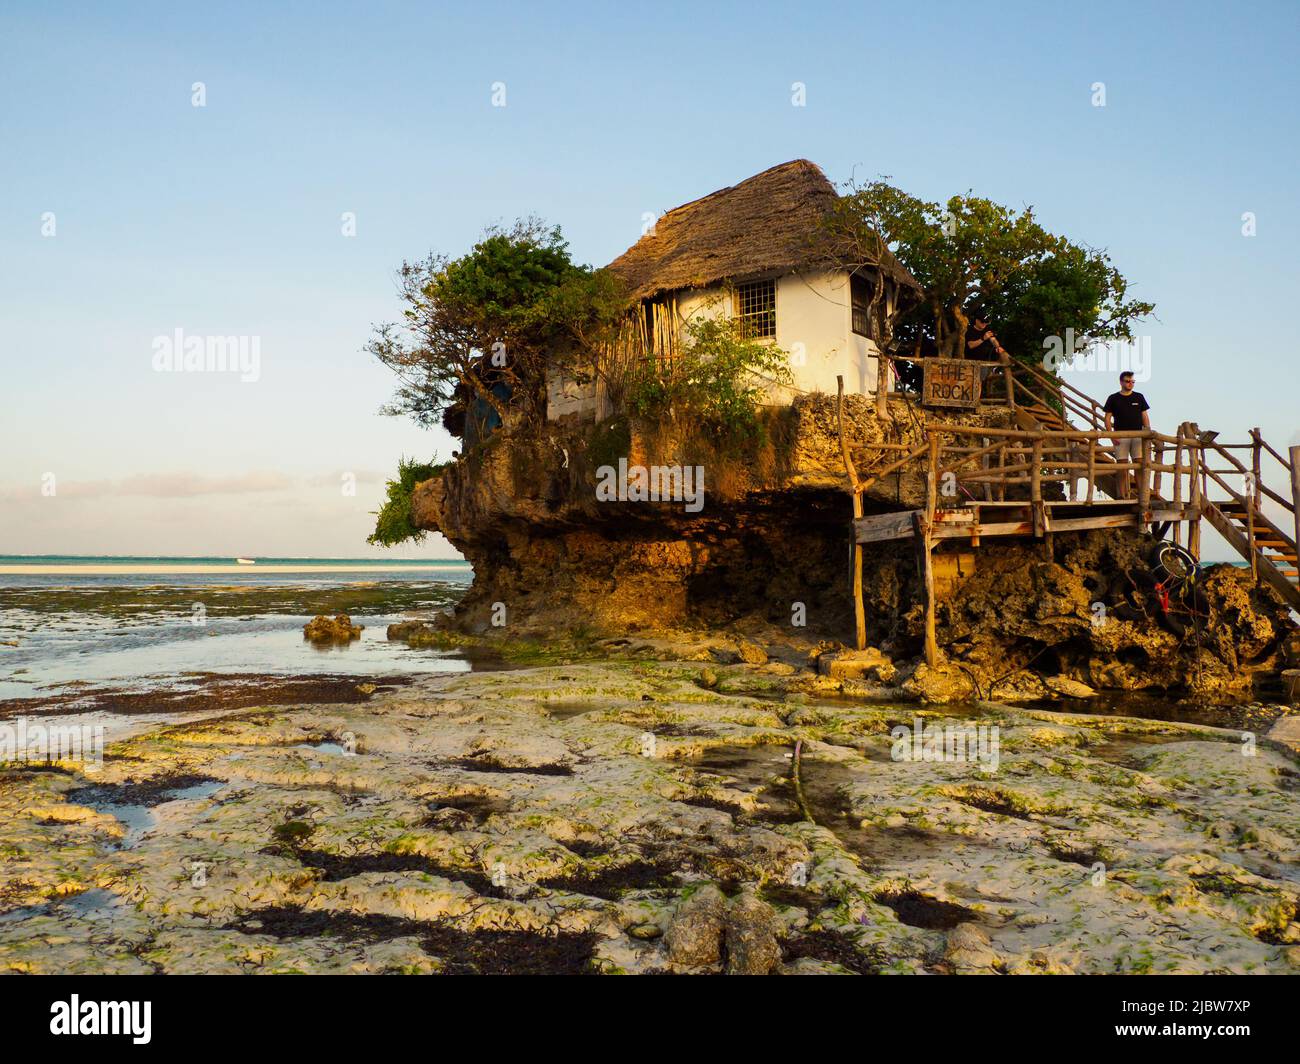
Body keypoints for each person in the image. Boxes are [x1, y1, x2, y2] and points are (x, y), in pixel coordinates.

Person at [1103, 371, 1151, 499]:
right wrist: (1111, 436)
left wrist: (1147, 432)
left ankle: (1142, 496)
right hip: (1120, 436)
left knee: (1139, 465)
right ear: (1121, 382)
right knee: (1122, 467)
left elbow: (1144, 416)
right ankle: (1121, 496)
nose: (1130, 384)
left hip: (1138, 437)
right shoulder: (1113, 398)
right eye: (1127, 381)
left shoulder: (1139, 397)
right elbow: (1107, 418)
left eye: (1132, 382)